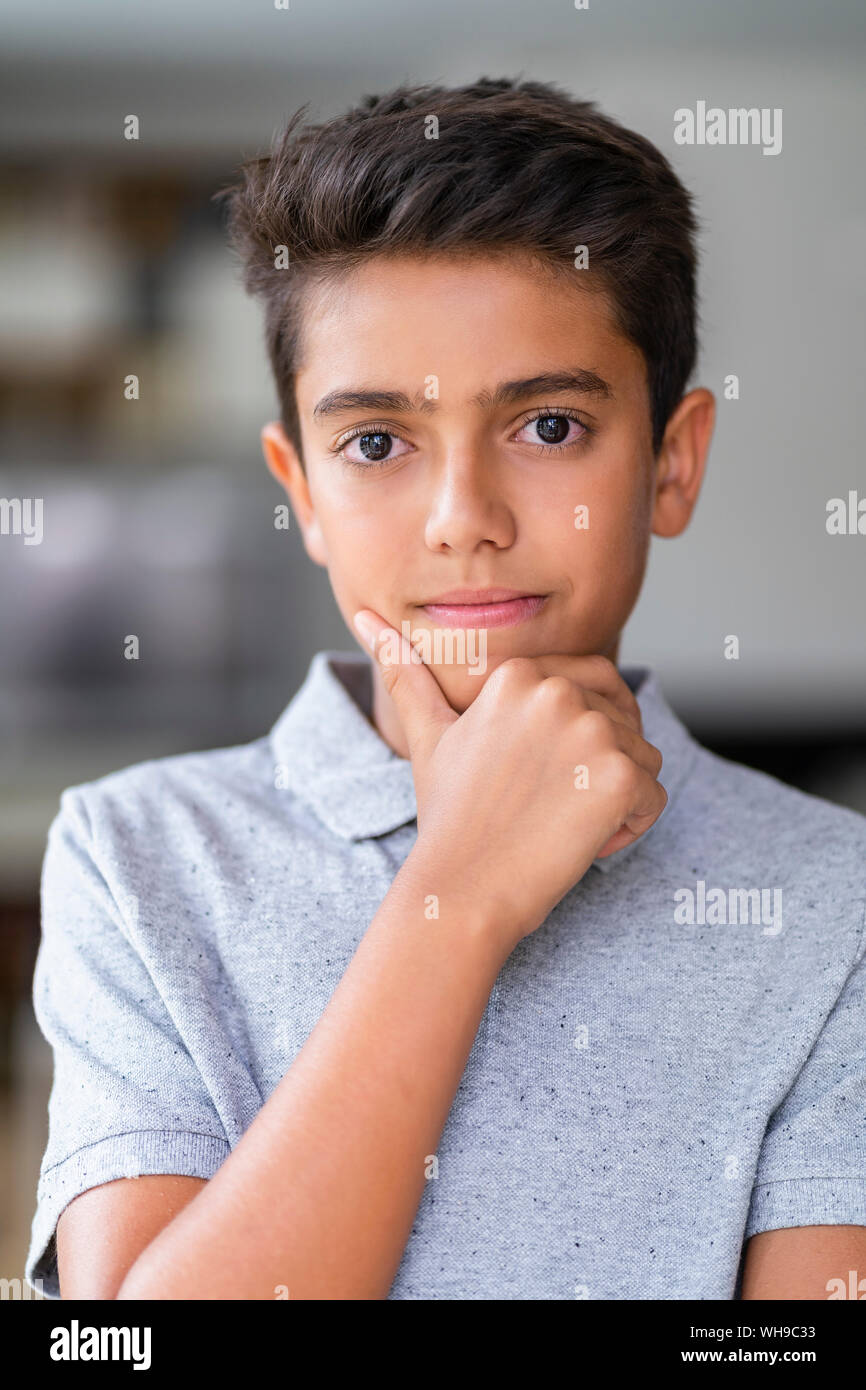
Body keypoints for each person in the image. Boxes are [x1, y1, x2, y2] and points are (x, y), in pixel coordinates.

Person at [26, 77, 866, 1300]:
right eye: (374, 442)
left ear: (670, 464)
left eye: (547, 428)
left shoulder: (831, 904)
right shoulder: (137, 856)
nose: (461, 518)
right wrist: (457, 893)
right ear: (301, 486)